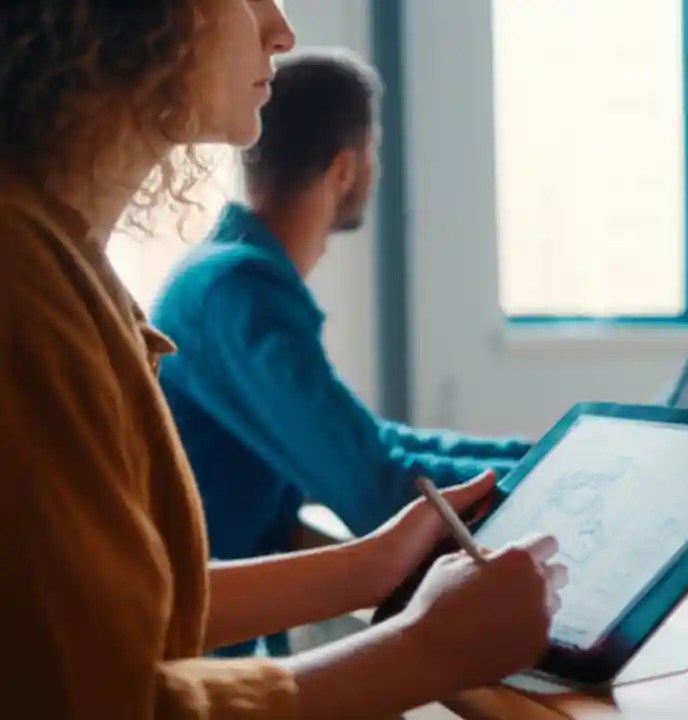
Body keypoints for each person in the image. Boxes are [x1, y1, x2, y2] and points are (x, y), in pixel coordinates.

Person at [0, 2, 564, 717]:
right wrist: (424, 650)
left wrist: (373, 566)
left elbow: (119, 607)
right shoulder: (35, 285)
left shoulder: (74, 270)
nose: (281, 28)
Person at [150, 52, 530, 647]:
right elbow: (372, 486)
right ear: (347, 169)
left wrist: (538, 452)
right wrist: (548, 474)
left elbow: (366, 440)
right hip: (198, 667)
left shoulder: (219, 276)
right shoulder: (237, 290)